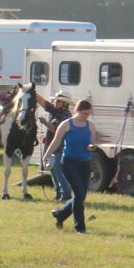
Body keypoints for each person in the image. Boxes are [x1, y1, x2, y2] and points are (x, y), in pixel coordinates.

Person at [42, 99, 95, 232]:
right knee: (79, 194)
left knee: (81, 195)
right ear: (77, 110)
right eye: (84, 113)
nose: (86, 116)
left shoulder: (90, 126)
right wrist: (46, 156)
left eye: (88, 114)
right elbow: (56, 141)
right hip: (69, 162)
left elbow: (93, 141)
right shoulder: (66, 124)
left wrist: (91, 146)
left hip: (85, 162)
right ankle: (80, 228)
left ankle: (60, 214)